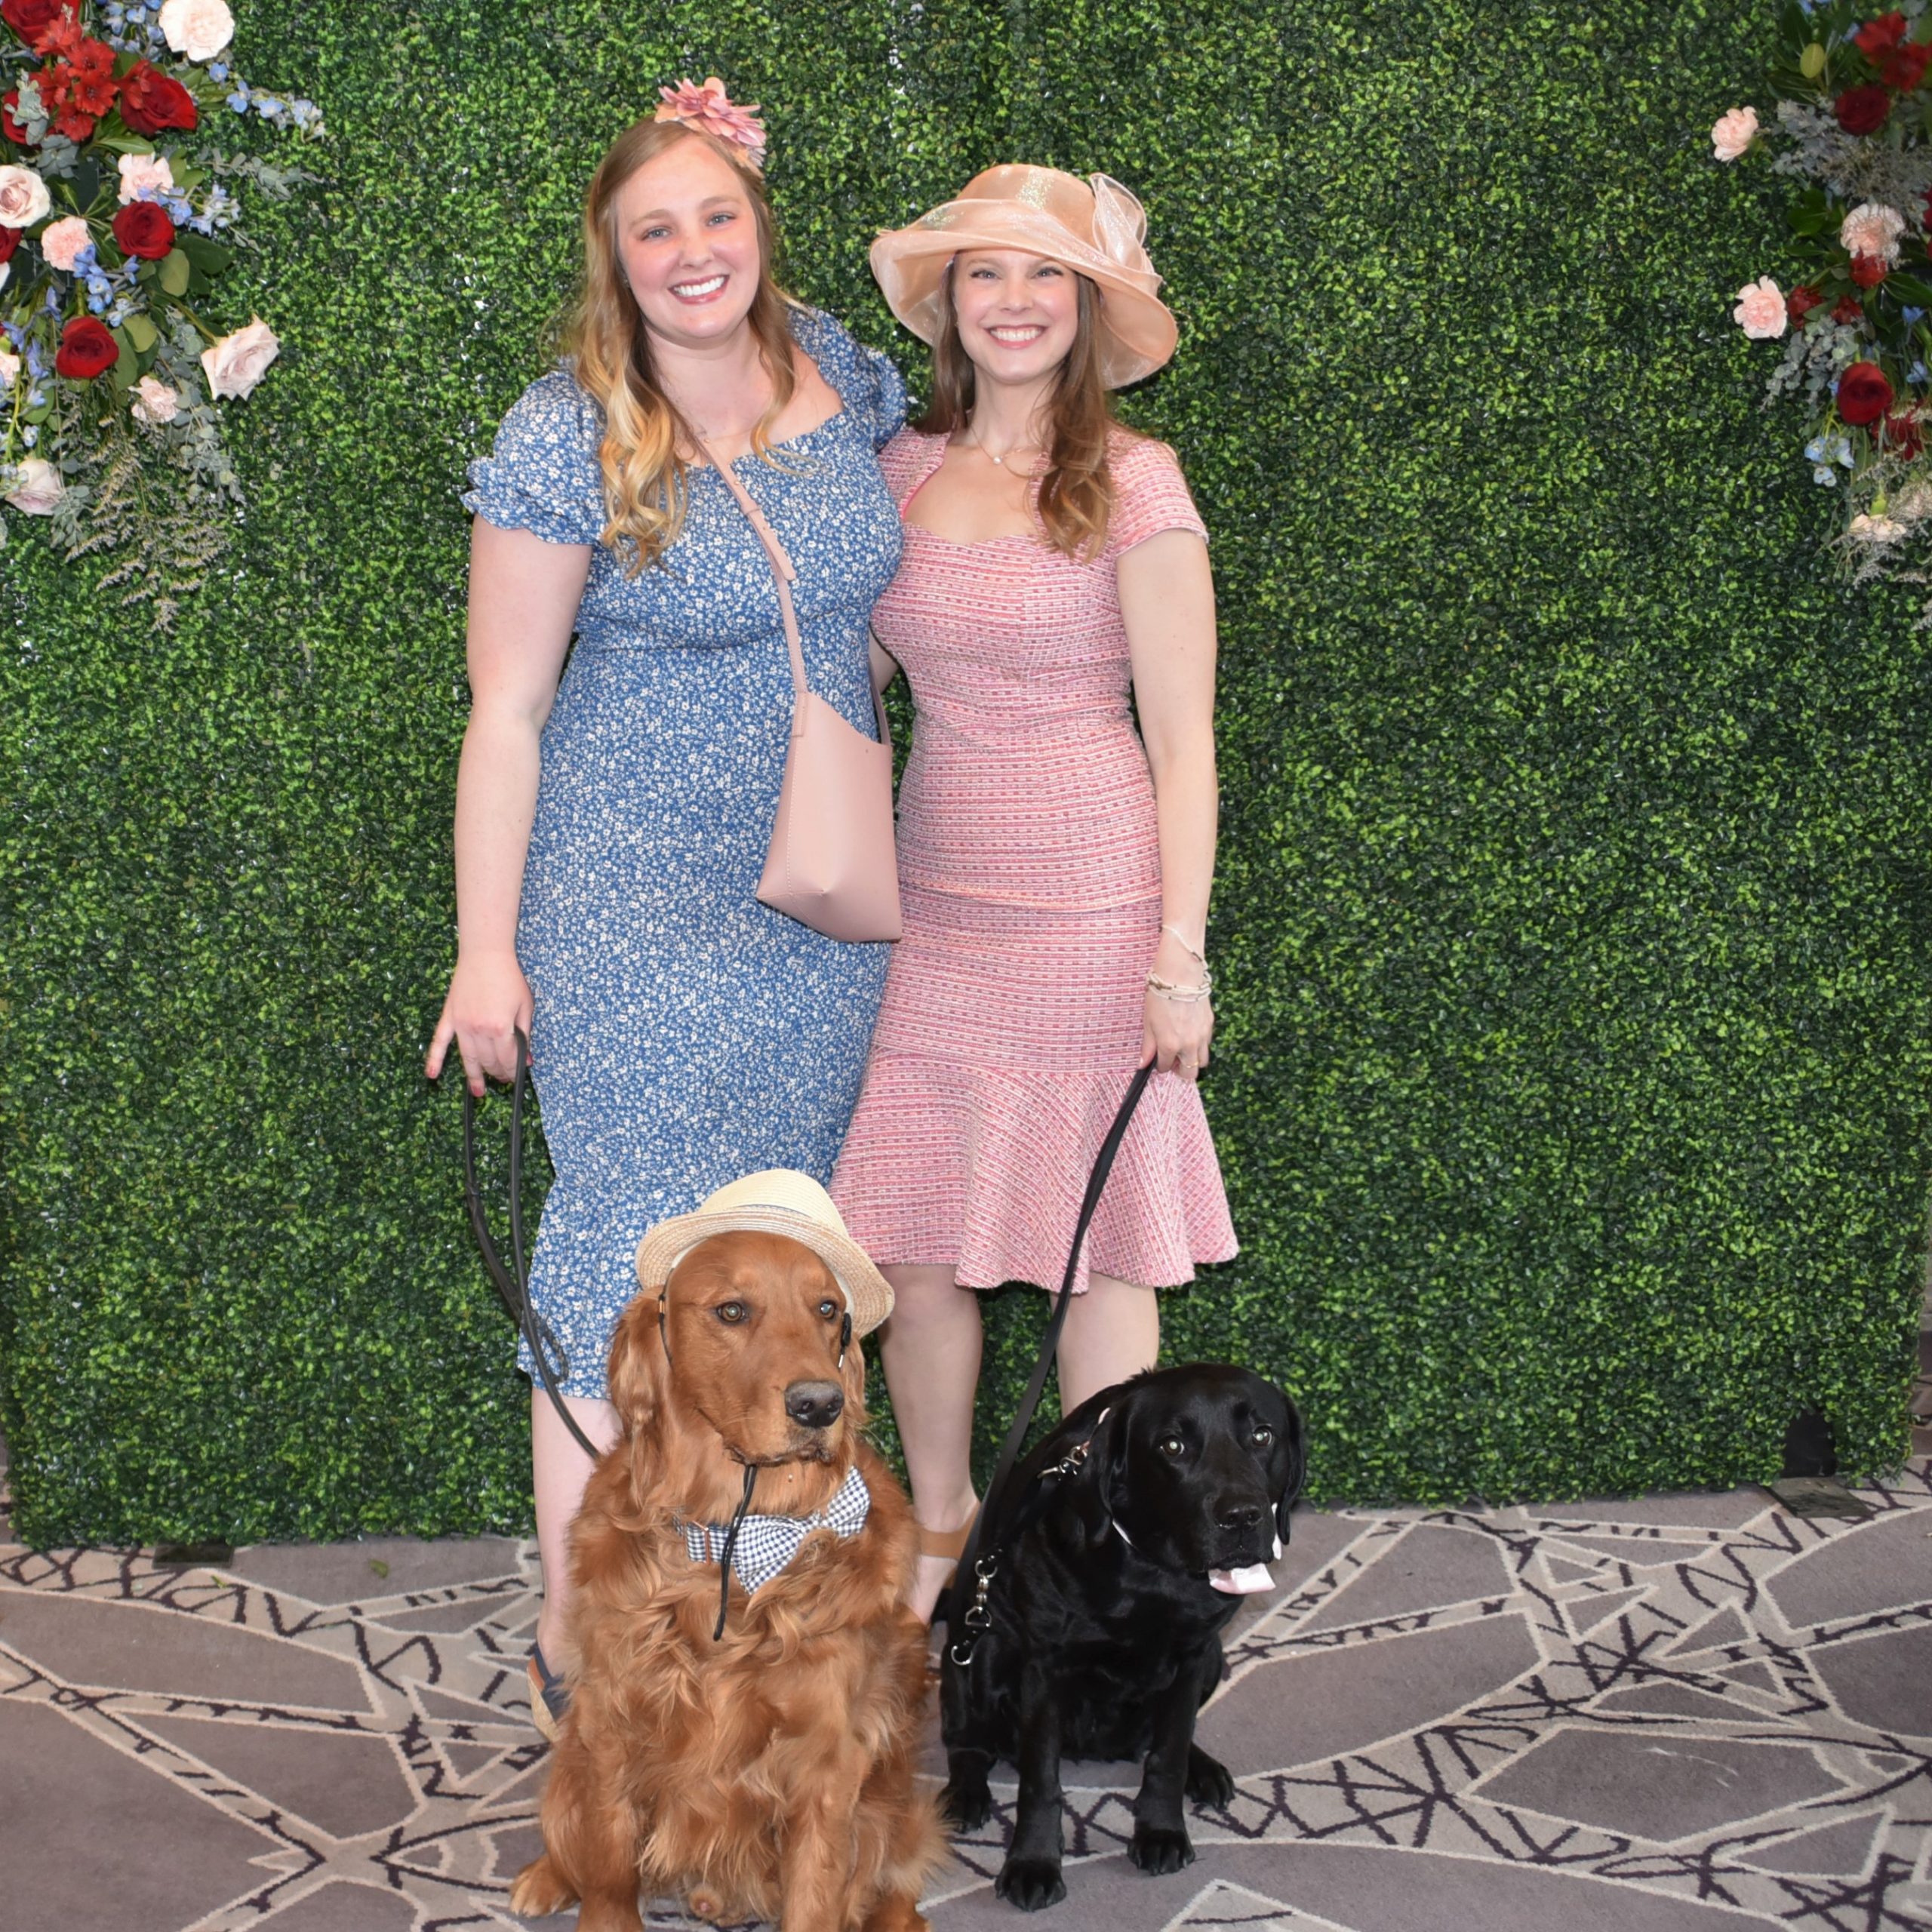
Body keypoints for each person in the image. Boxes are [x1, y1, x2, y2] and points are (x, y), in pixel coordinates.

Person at [424, 82, 907, 1732]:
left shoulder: (840, 370)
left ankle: (752, 1625)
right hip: (629, 905)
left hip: (820, 909)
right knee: (619, 1262)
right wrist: (486, 951)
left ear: (759, 225)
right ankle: (584, 1646)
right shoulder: (563, 432)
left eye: (716, 215)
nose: (692, 252)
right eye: (655, 230)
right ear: (613, 257)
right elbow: (505, 710)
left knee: (780, 1261)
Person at [832, 165, 1237, 1620]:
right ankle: (942, 1533)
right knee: (912, 1240)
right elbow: (853, 680)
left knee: (1098, 1253)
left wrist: (1178, 955)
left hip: (1093, 906)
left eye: (1044, 275)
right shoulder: (896, 472)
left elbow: (1184, 740)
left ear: (1087, 307)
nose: (1013, 302)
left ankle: (1097, 1562)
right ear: (950, 304)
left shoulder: (1137, 480)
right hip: (935, 907)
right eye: (986, 274)